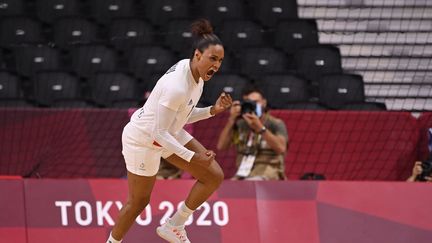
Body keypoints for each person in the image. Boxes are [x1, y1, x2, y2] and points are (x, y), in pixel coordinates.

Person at [106, 19, 232, 243]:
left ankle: (174, 225)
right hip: (143, 139)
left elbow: (181, 116)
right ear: (197, 55)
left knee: (214, 175)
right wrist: (193, 157)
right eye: (213, 58)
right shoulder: (177, 86)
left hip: (167, 133)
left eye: (220, 60)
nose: (216, 65)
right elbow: (158, 133)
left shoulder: (197, 78)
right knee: (138, 203)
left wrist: (213, 110)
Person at [216, 87, 288, 180]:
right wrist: (231, 119)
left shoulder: (275, 123)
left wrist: (260, 128)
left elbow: (281, 148)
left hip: (269, 172)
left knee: (252, 183)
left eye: (256, 102)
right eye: (249, 102)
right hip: (243, 173)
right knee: (226, 187)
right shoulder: (241, 124)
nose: (253, 105)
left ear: (264, 102)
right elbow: (221, 146)